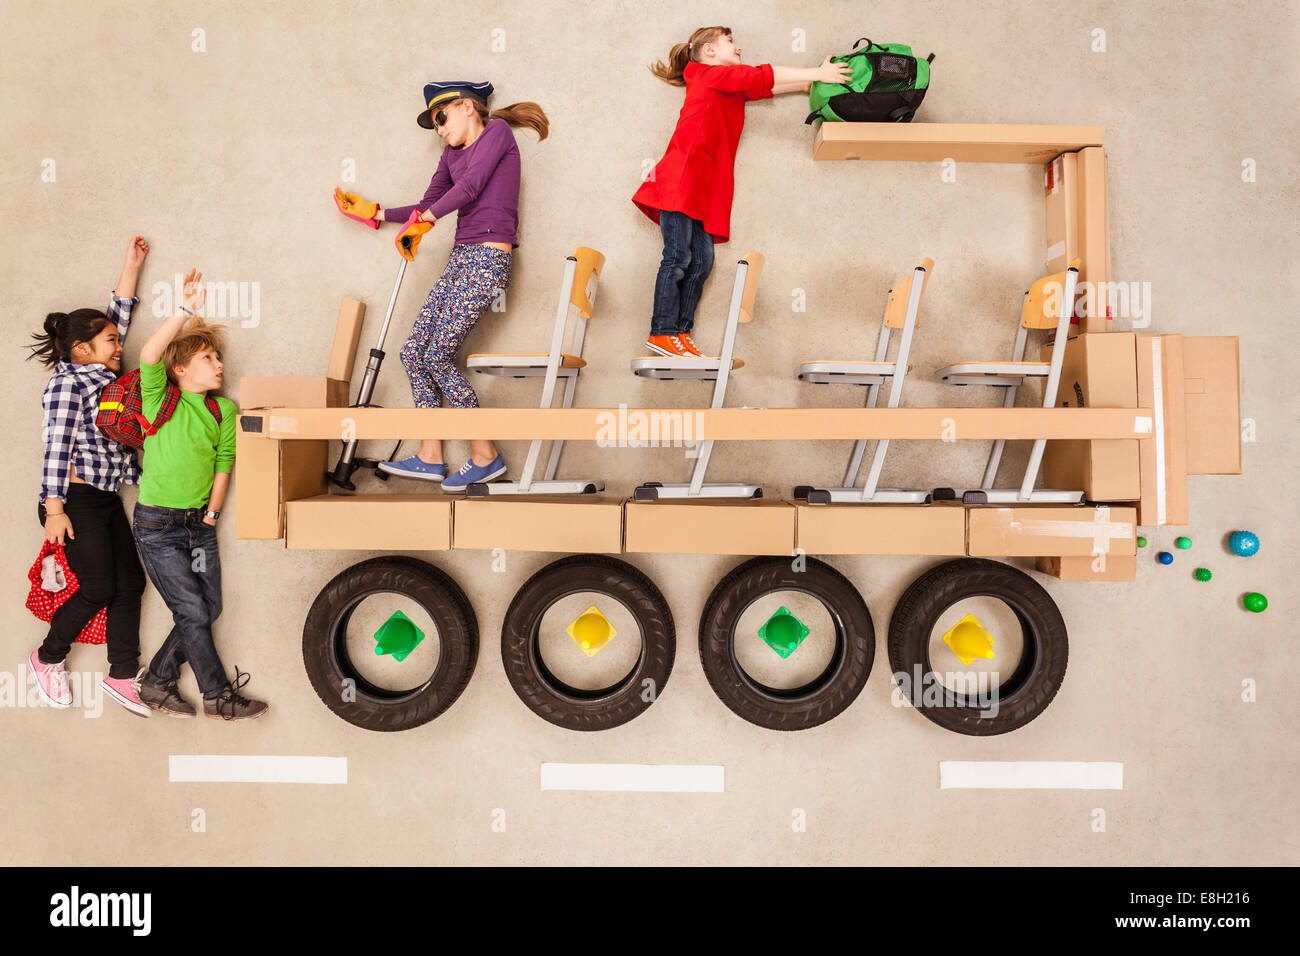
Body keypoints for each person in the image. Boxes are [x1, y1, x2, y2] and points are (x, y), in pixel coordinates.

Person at [333, 81, 549, 492]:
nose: (439, 129)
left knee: (437, 354)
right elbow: (426, 203)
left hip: (487, 258)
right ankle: (431, 456)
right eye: (434, 124)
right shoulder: (450, 154)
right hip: (461, 259)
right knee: (414, 352)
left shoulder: (497, 135)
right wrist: (375, 213)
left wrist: (427, 222)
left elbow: (468, 190)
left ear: (468, 107)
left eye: (441, 118)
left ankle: (485, 455)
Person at [632, 26, 851, 357]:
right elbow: (762, 73)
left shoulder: (724, 85)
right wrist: (819, 72)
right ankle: (661, 331)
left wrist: (806, 83)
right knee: (678, 257)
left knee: (702, 262)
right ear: (708, 52)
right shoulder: (706, 75)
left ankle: (680, 333)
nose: (739, 47)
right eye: (730, 42)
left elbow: (763, 84)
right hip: (681, 179)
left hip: (704, 187)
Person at [132, 269, 268, 720]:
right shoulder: (160, 398)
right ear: (182, 369)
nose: (219, 365)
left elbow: (224, 463)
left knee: (208, 607)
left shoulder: (222, 408)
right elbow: (151, 353)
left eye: (218, 358)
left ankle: (156, 681)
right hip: (157, 526)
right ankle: (218, 696)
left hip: (198, 526)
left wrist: (211, 516)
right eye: (208, 358)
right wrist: (185, 311)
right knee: (192, 610)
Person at [27, 236, 151, 716]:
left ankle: (122, 675)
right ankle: (45, 657)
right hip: (72, 501)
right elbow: (57, 447)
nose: (120, 344)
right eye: (111, 342)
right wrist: (53, 510)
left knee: (130, 585)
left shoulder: (105, 375)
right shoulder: (67, 383)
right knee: (98, 587)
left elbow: (117, 314)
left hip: (103, 499)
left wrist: (131, 264)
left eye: (118, 340)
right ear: (81, 350)